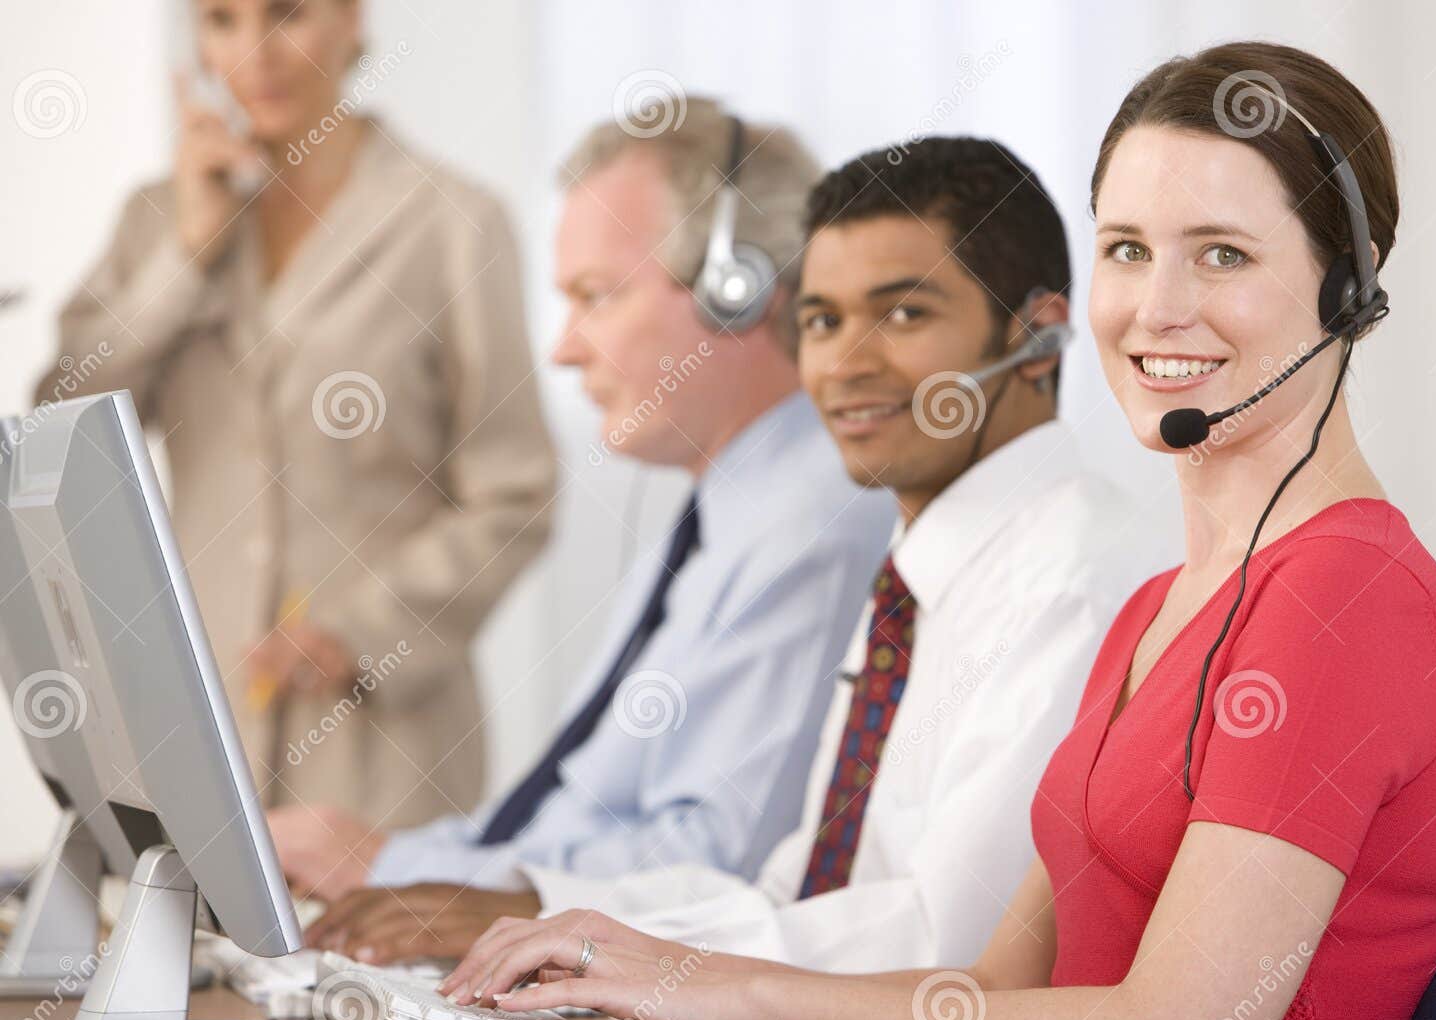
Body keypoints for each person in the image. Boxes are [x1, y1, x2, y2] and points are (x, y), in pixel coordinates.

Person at [441, 42, 1436, 1020]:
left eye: (1221, 252)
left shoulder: (1345, 599)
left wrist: (733, 992)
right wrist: (675, 995)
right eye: (1126, 248)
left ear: (1345, 288)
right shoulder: (1163, 607)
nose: (1154, 307)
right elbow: (988, 993)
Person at [311, 135, 1160, 970]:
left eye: (905, 312)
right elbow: (798, 892)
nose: (846, 364)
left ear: (1040, 337)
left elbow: (945, 946)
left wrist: (588, 937)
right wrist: (556, 917)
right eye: (824, 320)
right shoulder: (920, 568)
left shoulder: (1066, 581)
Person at [268, 99, 897, 945]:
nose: (564, 349)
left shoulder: (813, 526)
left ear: (736, 291)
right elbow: (560, 820)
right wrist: (388, 858)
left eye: (595, 298)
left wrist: (400, 874)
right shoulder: (714, 520)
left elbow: (717, 867)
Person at [34, 0, 555, 828]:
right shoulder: (156, 220)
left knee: (375, 955)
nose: (255, 54)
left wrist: (362, 628)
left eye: (287, 14)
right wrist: (189, 255)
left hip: (380, 740)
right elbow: (61, 431)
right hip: (199, 720)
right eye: (221, 20)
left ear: (352, 19)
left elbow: (516, 490)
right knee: (186, 953)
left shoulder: (453, 222)